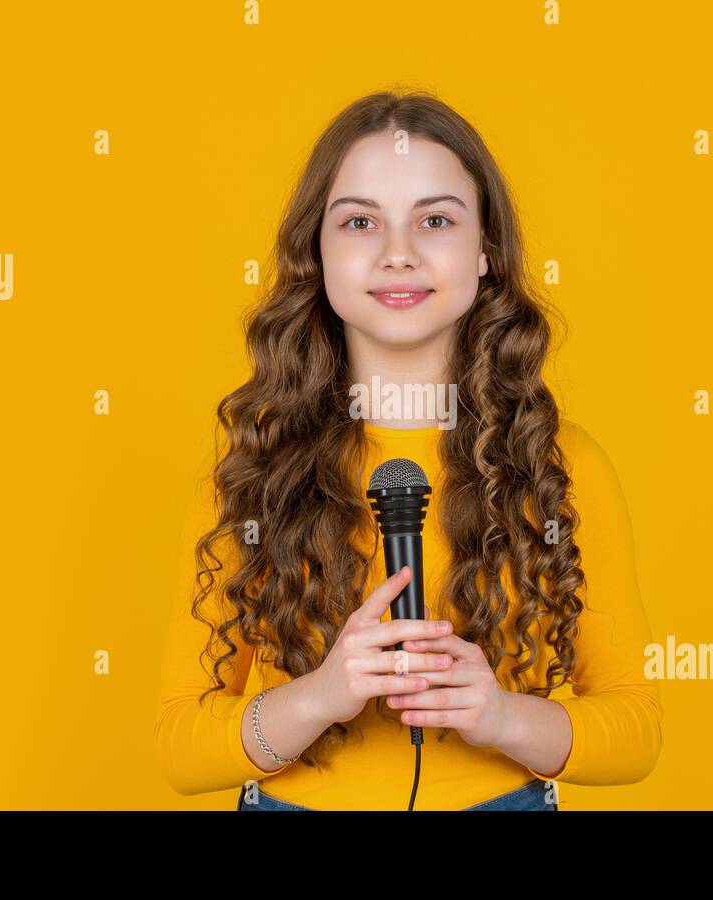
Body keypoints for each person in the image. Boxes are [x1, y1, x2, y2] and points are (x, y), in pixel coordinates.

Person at [154, 89, 662, 811]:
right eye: (360, 222)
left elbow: (636, 729)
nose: (398, 254)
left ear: (485, 252)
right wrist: (324, 695)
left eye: (435, 220)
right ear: (317, 253)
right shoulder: (254, 470)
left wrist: (498, 716)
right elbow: (181, 748)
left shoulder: (561, 466)